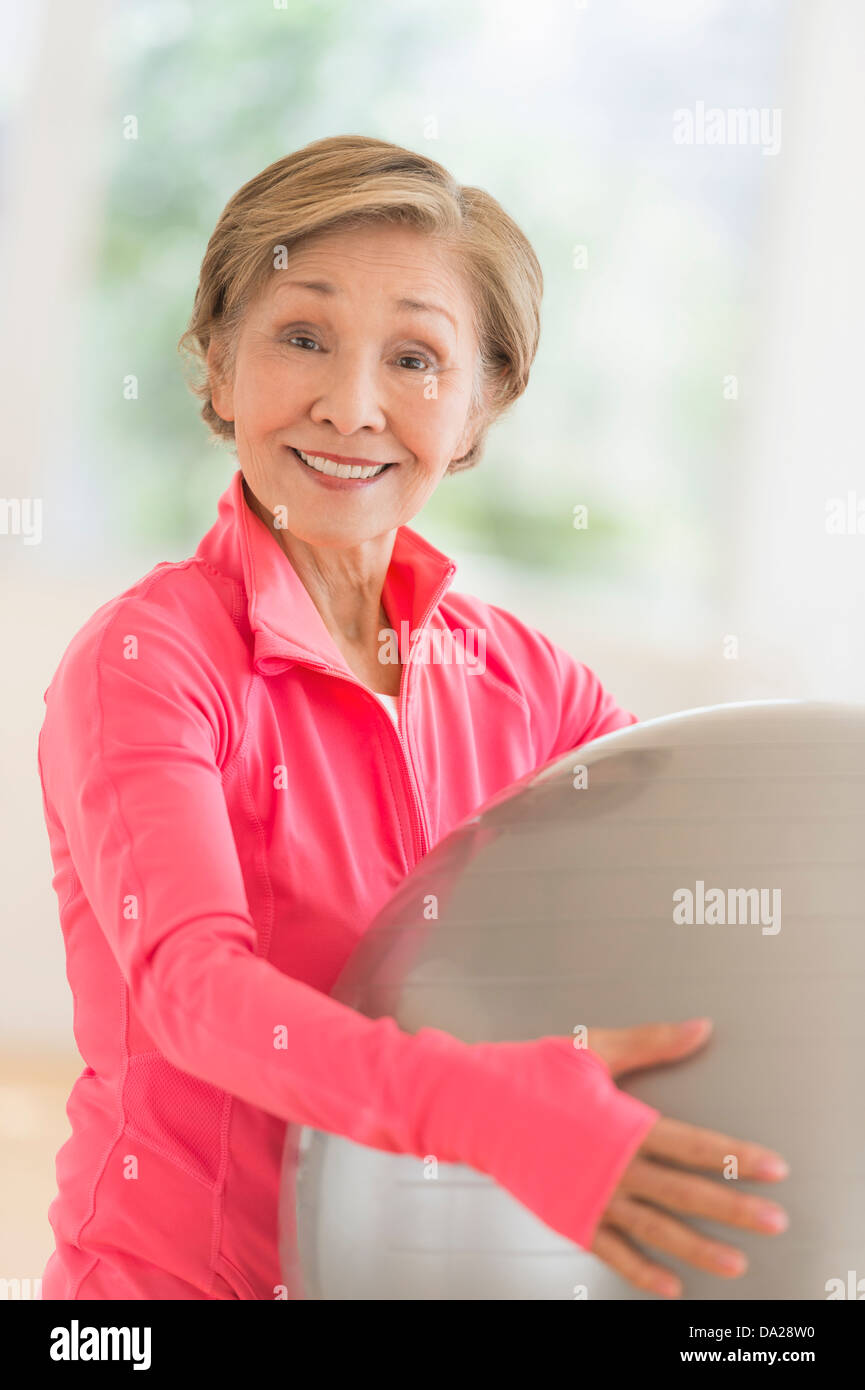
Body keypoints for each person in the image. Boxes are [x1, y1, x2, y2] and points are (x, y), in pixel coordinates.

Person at [38, 134, 788, 1301]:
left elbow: (710, 870)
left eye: (414, 359)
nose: (350, 405)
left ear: (482, 408)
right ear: (218, 369)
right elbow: (191, 989)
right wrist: (486, 1110)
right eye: (301, 337)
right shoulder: (146, 664)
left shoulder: (529, 686)